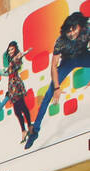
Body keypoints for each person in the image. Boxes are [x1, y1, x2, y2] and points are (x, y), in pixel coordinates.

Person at [25, 13, 90, 149]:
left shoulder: (87, 29)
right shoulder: (61, 41)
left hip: (83, 55)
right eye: (68, 31)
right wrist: (56, 88)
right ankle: (35, 131)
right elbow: (54, 65)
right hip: (68, 62)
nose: (71, 33)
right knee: (48, 94)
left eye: (74, 29)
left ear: (80, 26)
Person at [4, 41, 34, 143]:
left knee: (22, 107)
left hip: (16, 85)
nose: (10, 51)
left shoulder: (17, 57)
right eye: (9, 50)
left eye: (12, 49)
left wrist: (25, 52)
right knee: (17, 111)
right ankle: (24, 130)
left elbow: (20, 55)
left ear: (15, 49)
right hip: (11, 86)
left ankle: (29, 127)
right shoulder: (10, 60)